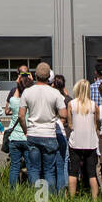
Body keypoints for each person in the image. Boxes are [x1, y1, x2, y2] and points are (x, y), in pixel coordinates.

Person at [18, 63, 68, 194]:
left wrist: (25, 131)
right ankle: (50, 198)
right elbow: (64, 114)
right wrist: (54, 114)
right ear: (49, 77)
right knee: (49, 170)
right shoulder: (55, 93)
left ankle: (39, 198)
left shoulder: (27, 92)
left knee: (34, 169)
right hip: (49, 134)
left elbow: (21, 116)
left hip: (33, 133)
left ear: (35, 75)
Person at [65, 79, 99, 198]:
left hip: (75, 142)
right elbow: (96, 124)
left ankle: (72, 198)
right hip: (90, 142)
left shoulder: (71, 104)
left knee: (73, 171)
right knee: (92, 173)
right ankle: (95, 199)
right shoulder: (94, 105)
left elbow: (70, 124)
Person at [4, 73, 31, 187]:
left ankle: (12, 190)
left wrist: (18, 82)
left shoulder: (14, 101)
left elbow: (14, 97)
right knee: (31, 166)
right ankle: (32, 188)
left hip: (14, 137)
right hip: (28, 137)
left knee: (14, 166)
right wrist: (30, 81)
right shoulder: (31, 102)